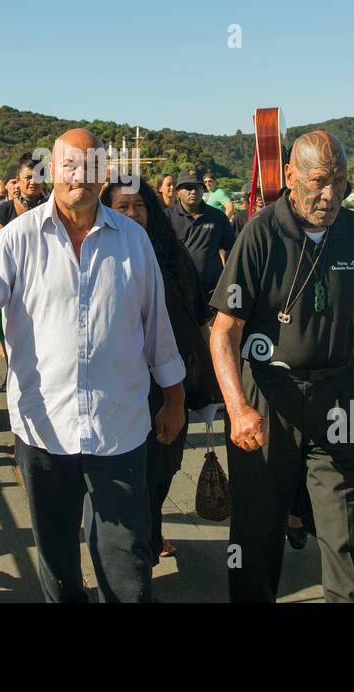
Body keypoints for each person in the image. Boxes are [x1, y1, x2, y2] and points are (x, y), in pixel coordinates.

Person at [0, 129, 185, 603]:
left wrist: (175, 403)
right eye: (69, 165)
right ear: (51, 171)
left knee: (127, 563)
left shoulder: (134, 241)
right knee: (57, 559)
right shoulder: (15, 239)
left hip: (120, 427)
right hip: (43, 429)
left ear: (105, 174)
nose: (80, 175)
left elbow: (158, 328)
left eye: (90, 165)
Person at [209, 130, 354, 603]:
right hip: (270, 396)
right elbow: (223, 331)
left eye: (341, 182)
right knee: (257, 530)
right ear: (290, 177)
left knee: (344, 528)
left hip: (337, 393)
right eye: (319, 181)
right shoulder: (261, 233)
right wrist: (238, 407)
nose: (331, 195)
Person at [102, 177, 218, 564]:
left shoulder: (173, 256)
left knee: (165, 465)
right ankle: (139, 549)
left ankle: (150, 532)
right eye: (122, 207)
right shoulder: (99, 256)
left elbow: (199, 317)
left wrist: (209, 377)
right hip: (122, 382)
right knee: (128, 472)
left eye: (139, 206)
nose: (133, 214)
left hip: (172, 381)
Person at [167, 169, 235, 318]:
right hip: (178, 292)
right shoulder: (166, 217)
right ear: (178, 191)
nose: (193, 191)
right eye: (188, 187)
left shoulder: (218, 217)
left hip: (211, 293)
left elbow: (231, 251)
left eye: (197, 187)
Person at [0, 153, 47, 240]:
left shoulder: (52, 208)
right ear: (18, 180)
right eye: (28, 177)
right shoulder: (4, 210)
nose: (33, 181)